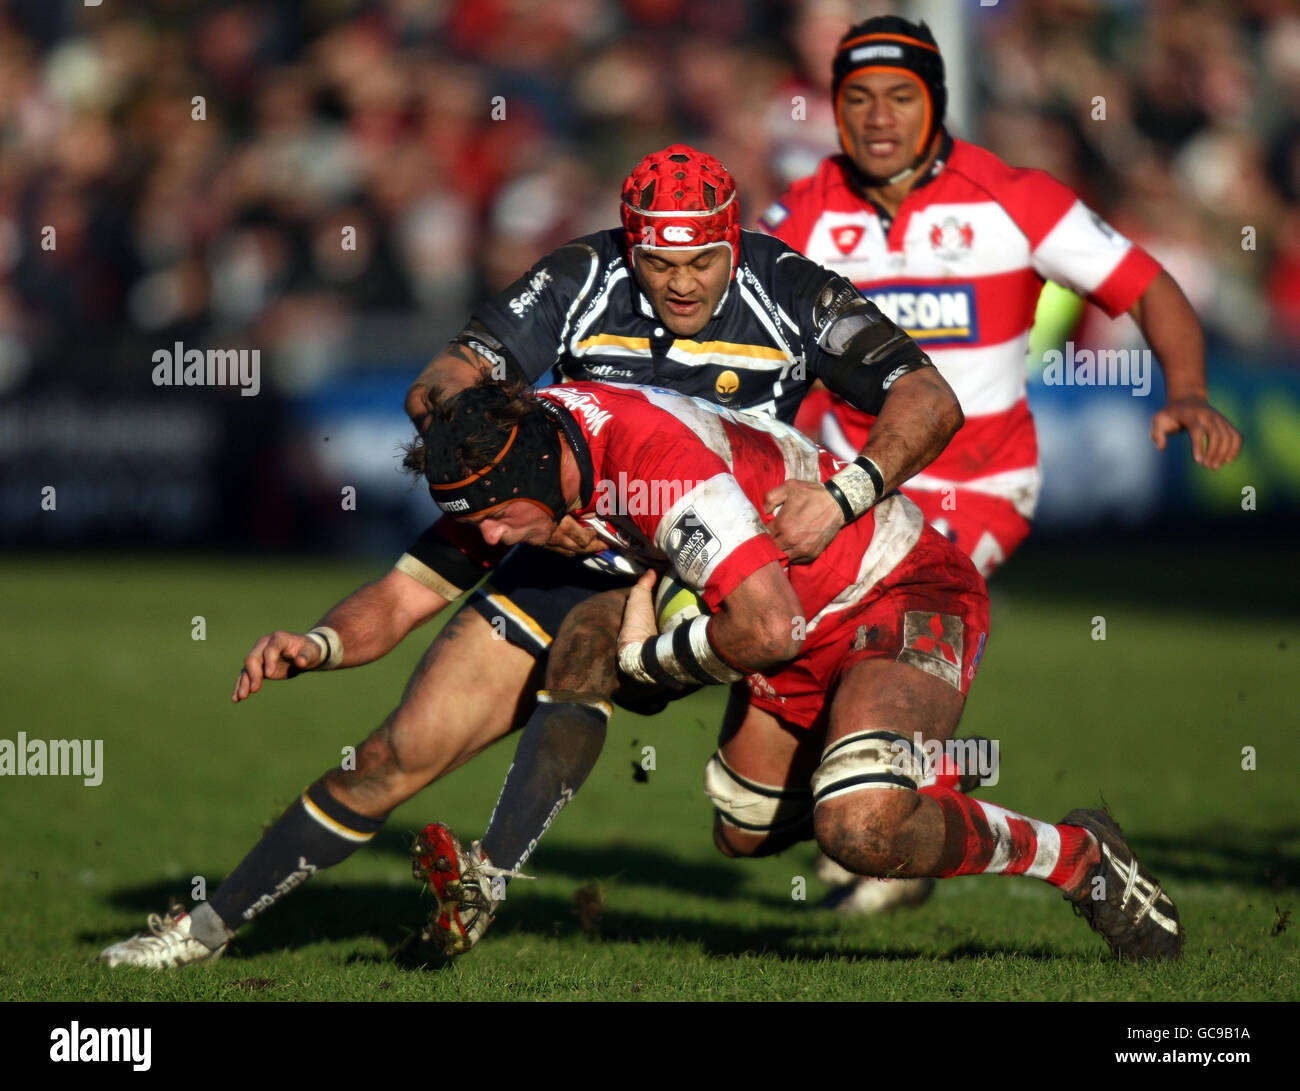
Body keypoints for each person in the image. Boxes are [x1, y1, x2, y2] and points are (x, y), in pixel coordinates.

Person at [96, 144, 961, 969]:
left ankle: (495, 874)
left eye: (704, 260)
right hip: (564, 526)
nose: (684, 281)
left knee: (625, 685)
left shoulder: (789, 289)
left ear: (733, 238)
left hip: (717, 551)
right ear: (631, 244)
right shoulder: (582, 277)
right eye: (661, 263)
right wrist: (507, 480)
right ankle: (207, 926)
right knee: (398, 753)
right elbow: (439, 387)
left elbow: (926, 396)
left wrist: (847, 490)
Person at [408, 378, 1182, 964]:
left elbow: (765, 632)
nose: (491, 535)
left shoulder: (658, 467)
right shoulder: (545, 432)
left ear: (542, 470)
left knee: (859, 827)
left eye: (496, 515)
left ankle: (1078, 857)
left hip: (894, 592)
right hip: (793, 619)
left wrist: (650, 661)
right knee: (740, 833)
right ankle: (498, 868)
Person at [758, 14, 1244, 913]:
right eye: (856, 98)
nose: (877, 118)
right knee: (778, 703)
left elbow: (1143, 283)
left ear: (936, 102)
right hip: (846, 487)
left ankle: (902, 821)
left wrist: (1187, 387)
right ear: (832, 107)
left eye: (900, 97)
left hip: (977, 484)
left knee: (884, 631)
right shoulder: (800, 214)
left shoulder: (1014, 196)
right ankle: (888, 807)